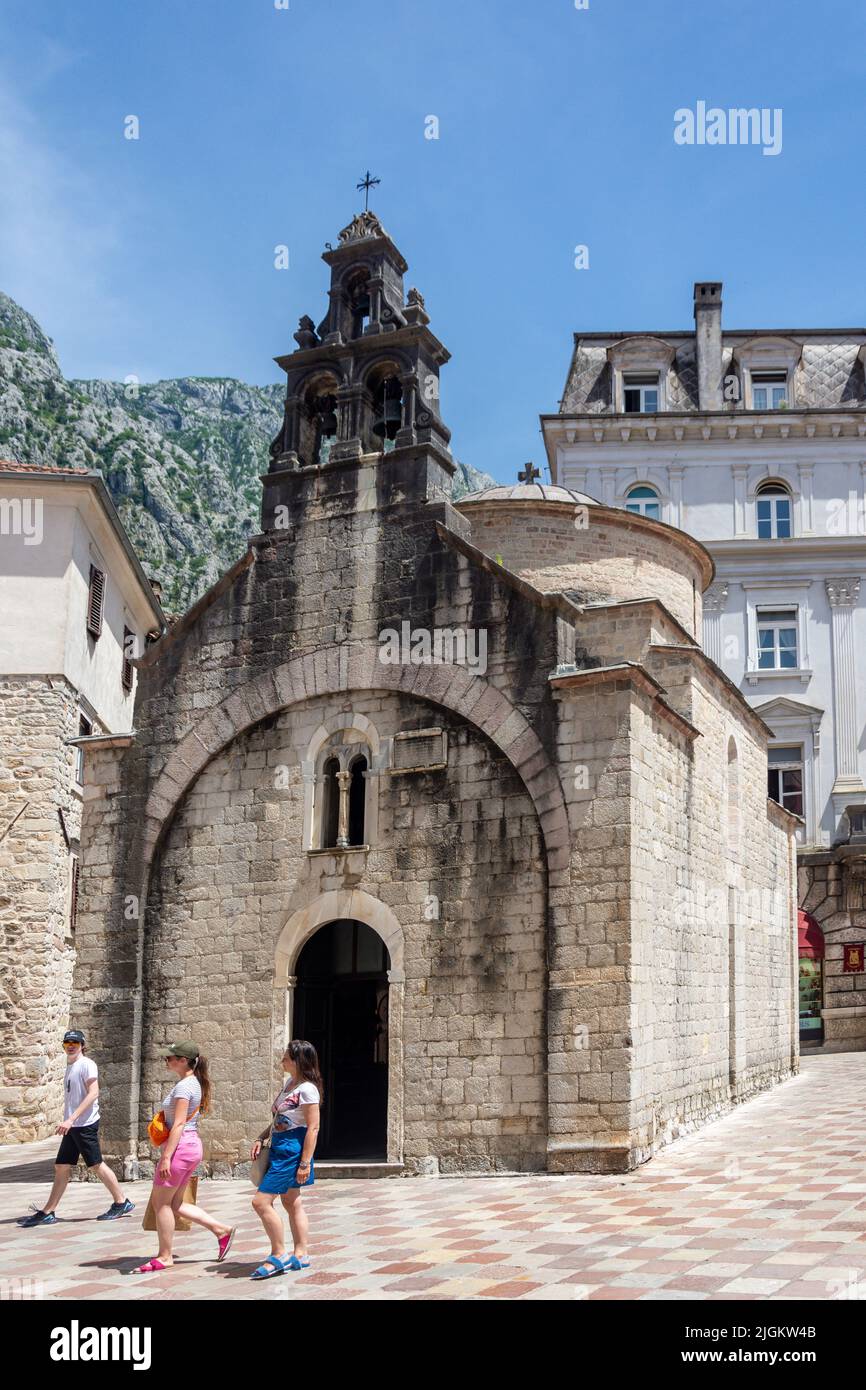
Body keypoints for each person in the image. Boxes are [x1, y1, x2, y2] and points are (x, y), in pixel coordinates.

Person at [134, 1040, 236, 1274]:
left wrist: (167, 1157)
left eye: (170, 1058)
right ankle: (222, 1230)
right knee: (176, 1203)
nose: (166, 1061)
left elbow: (179, 1123)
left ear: (183, 1061)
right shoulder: (193, 1084)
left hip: (180, 1148)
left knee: (161, 1204)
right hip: (191, 1147)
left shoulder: (184, 1087)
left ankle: (165, 1256)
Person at [18, 1029, 135, 1228]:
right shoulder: (71, 1066)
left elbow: (93, 1093)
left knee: (96, 1164)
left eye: (75, 1042)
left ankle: (121, 1202)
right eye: (67, 1043)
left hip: (84, 1124)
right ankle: (48, 1211)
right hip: (74, 1125)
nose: (71, 1045)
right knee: (61, 1166)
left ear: (82, 1045)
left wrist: (70, 1119)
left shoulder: (86, 1065)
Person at [249, 1039, 322, 1279]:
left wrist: (304, 1163)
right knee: (291, 1201)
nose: (282, 1060)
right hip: (280, 1146)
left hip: (293, 1150)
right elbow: (281, 1119)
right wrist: (261, 1137)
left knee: (260, 1202)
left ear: (298, 1061)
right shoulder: (289, 1084)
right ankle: (301, 1253)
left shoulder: (307, 1089)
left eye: (286, 1057)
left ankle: (278, 1254)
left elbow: (312, 1128)